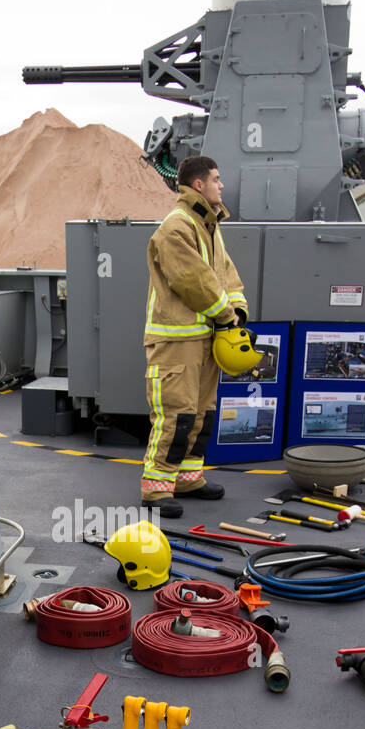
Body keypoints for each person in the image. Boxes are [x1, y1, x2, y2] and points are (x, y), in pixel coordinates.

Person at [140, 156, 249, 518]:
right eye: (216, 179)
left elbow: (225, 274)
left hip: (204, 338)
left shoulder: (209, 227)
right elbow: (193, 280)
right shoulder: (177, 227)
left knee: (202, 414)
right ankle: (156, 488)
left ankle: (187, 478)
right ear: (198, 185)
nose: (222, 185)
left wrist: (239, 311)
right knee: (176, 415)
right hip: (177, 340)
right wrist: (225, 314)